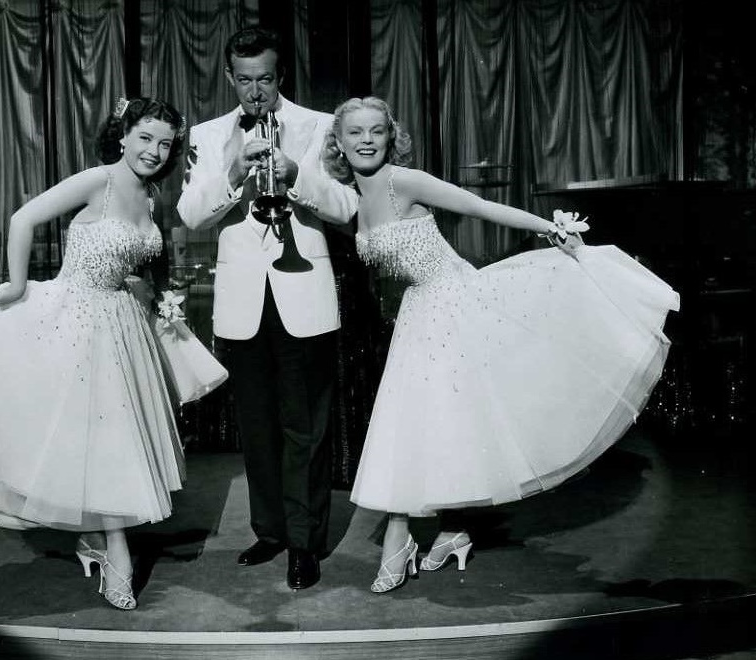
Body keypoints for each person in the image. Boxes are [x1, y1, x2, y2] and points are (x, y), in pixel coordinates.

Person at [0, 97, 220, 610]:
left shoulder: (149, 197)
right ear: (122, 135)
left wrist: (156, 297)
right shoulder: (96, 179)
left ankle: (100, 538)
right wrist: (13, 286)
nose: (154, 151)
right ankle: (112, 545)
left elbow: (150, 258)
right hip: (76, 319)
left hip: (123, 324)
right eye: (145, 137)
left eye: (165, 144)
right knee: (94, 438)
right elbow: (22, 218)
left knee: (110, 439)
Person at [320, 96, 679, 593]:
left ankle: (399, 539)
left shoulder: (406, 181)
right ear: (338, 142)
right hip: (417, 315)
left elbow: (479, 206)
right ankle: (449, 533)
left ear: (389, 137)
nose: (365, 141)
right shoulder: (354, 202)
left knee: (413, 423)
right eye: (355, 132)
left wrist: (551, 229)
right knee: (435, 424)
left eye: (375, 131)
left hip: (455, 304)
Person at [177, 27, 358, 590]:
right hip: (242, 302)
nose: (256, 91)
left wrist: (297, 176)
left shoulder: (320, 127)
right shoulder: (207, 136)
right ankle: (271, 531)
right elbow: (190, 215)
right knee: (257, 427)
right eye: (245, 80)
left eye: (266, 79)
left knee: (305, 426)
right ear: (230, 77)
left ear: (281, 77)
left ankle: (305, 544)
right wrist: (235, 176)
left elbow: (346, 206)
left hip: (303, 294)